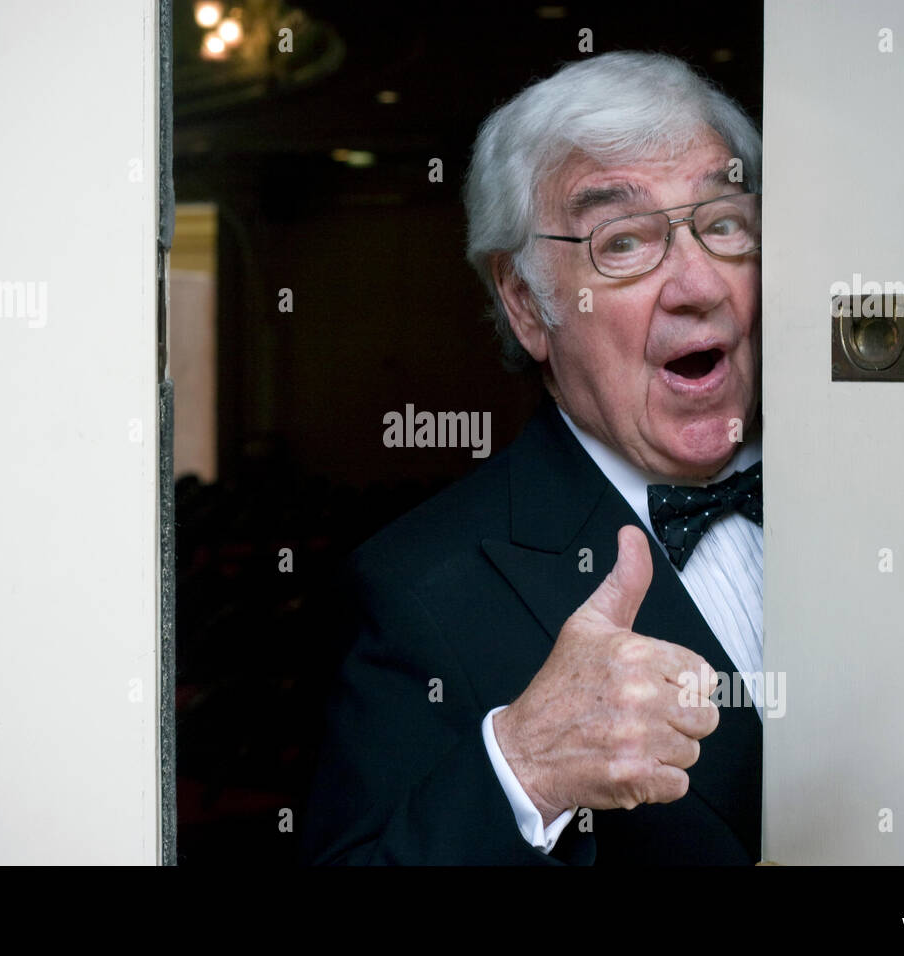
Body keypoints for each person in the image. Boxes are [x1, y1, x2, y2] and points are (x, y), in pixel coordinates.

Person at [302, 50, 764, 865]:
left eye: (724, 223)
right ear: (526, 303)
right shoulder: (416, 592)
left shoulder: (888, 492)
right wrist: (525, 770)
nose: (700, 284)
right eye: (624, 242)